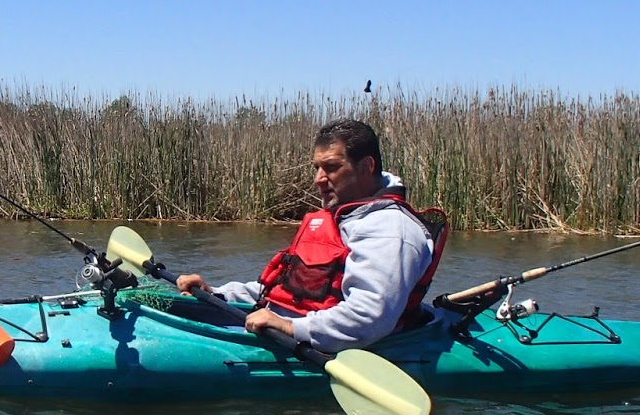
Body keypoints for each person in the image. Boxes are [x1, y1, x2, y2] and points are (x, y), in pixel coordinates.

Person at [175, 119, 444, 353]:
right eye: (317, 167)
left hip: (323, 341)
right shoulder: (340, 216)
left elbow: (370, 316)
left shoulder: (391, 230)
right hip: (285, 328)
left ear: (366, 167)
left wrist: (291, 327)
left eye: (331, 167)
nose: (318, 179)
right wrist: (218, 294)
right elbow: (285, 289)